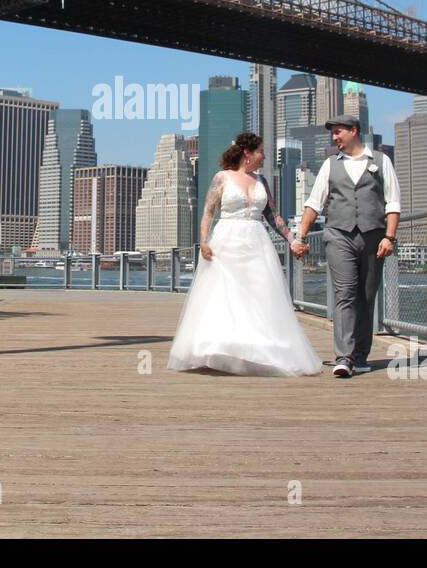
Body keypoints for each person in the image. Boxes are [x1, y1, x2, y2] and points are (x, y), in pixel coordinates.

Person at [167, 132, 321, 377]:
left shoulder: (261, 181)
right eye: (261, 151)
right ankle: (219, 346)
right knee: (224, 293)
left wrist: (293, 241)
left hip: (256, 241)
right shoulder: (222, 178)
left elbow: (274, 216)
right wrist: (204, 242)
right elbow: (208, 213)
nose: (264, 156)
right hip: (226, 240)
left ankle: (256, 350)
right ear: (247, 153)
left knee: (258, 293)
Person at [291, 115, 401, 378]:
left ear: (354, 131)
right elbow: (314, 204)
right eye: (332, 133)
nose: (334, 137)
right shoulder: (330, 165)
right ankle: (343, 357)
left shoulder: (382, 161)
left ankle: (360, 355)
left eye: (338, 132)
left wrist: (389, 237)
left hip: (374, 237)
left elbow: (393, 203)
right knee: (345, 293)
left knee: (366, 295)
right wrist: (302, 237)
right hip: (339, 235)